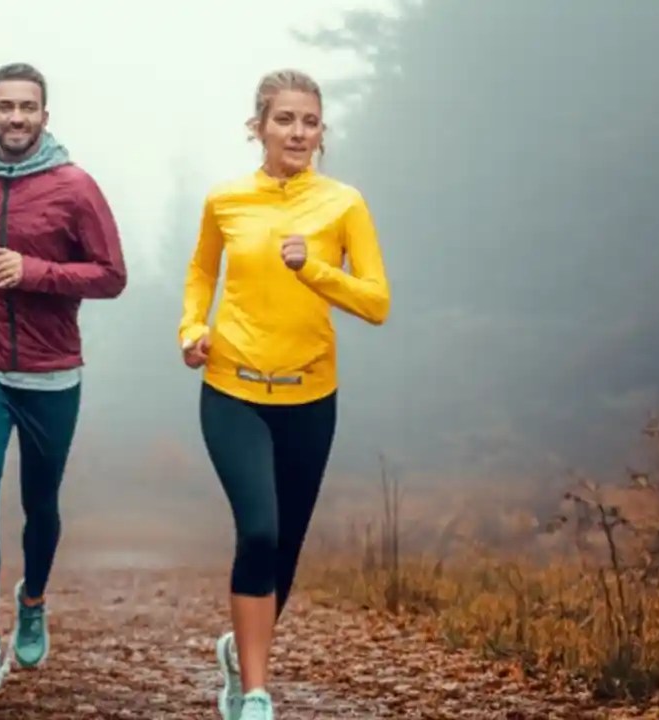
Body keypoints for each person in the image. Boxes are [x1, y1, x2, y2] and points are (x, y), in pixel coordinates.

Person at [177, 69, 391, 720]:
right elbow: (201, 271)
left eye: (310, 122)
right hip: (233, 388)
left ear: (322, 132)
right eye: (284, 120)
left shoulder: (345, 203)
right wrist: (192, 327)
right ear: (259, 126)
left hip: (310, 395)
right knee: (261, 531)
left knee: (287, 551)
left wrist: (317, 269)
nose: (298, 132)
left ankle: (241, 652)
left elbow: (377, 302)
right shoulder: (226, 201)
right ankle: (256, 692)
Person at [0, 62, 128, 696]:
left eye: (28, 107)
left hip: (52, 373)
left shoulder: (76, 188)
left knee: (40, 506)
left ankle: (34, 596)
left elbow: (111, 274)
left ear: (45, 116)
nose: (16, 118)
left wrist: (38, 271)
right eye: (5, 107)